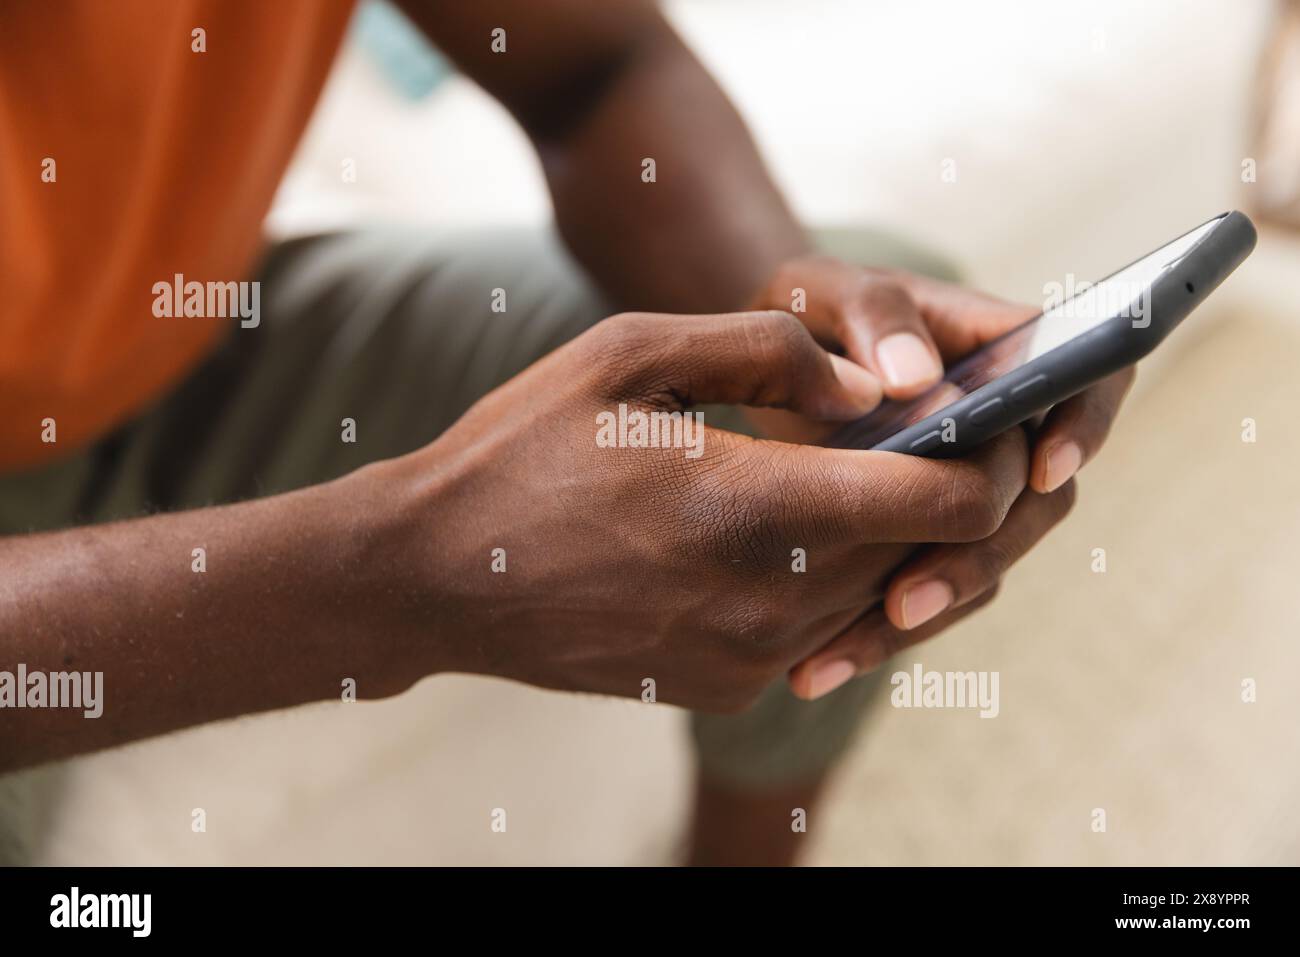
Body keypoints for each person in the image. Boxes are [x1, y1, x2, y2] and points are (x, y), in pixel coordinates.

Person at [0, 0, 1131, 865]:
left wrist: (807, 364)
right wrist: (402, 580)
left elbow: (594, 69)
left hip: (175, 339)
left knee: (858, 408)